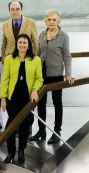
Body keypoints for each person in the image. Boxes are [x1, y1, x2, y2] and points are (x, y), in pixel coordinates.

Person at [29, 9, 74, 144]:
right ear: (45, 21)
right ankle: (41, 130)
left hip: (56, 75)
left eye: (54, 20)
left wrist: (68, 74)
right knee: (40, 103)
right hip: (42, 75)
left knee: (57, 103)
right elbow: (37, 54)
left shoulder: (63, 36)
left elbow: (67, 56)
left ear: (58, 21)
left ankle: (56, 131)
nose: (52, 22)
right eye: (49, 20)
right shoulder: (42, 34)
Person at [0, 34, 43, 165]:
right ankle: (11, 152)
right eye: (20, 42)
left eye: (25, 43)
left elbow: (39, 79)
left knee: (25, 125)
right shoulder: (9, 59)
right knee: (10, 126)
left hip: (28, 99)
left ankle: (21, 151)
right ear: (16, 44)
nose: (22, 45)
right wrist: (3, 98)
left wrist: (35, 89)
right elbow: (5, 79)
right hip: (12, 98)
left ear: (28, 45)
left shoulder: (35, 59)